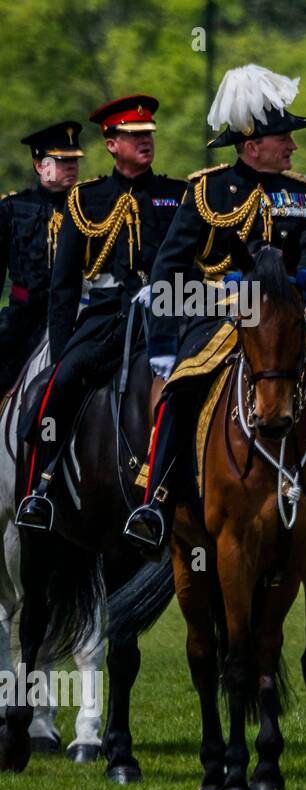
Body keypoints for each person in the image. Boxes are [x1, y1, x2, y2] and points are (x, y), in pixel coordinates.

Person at [122, 64, 306, 554]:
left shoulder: (303, 193)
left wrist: (288, 290)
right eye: (284, 137)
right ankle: (155, 503)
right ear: (251, 143)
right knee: (179, 390)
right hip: (217, 316)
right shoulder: (205, 191)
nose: (293, 146)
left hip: (287, 317)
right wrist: (167, 337)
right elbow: (167, 270)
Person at [16, 96, 186, 530]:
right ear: (111, 143)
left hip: (169, 318)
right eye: (133, 135)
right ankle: (41, 487)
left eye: (148, 134)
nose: (145, 141)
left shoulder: (177, 195)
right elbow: (65, 286)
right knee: (57, 385)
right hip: (107, 321)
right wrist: (59, 348)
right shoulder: (86, 200)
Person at [0, 121, 83, 396]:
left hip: (77, 312)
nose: (70, 166)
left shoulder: (90, 209)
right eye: (60, 160)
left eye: (73, 160)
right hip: (25, 319)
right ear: (39, 165)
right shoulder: (13, 209)